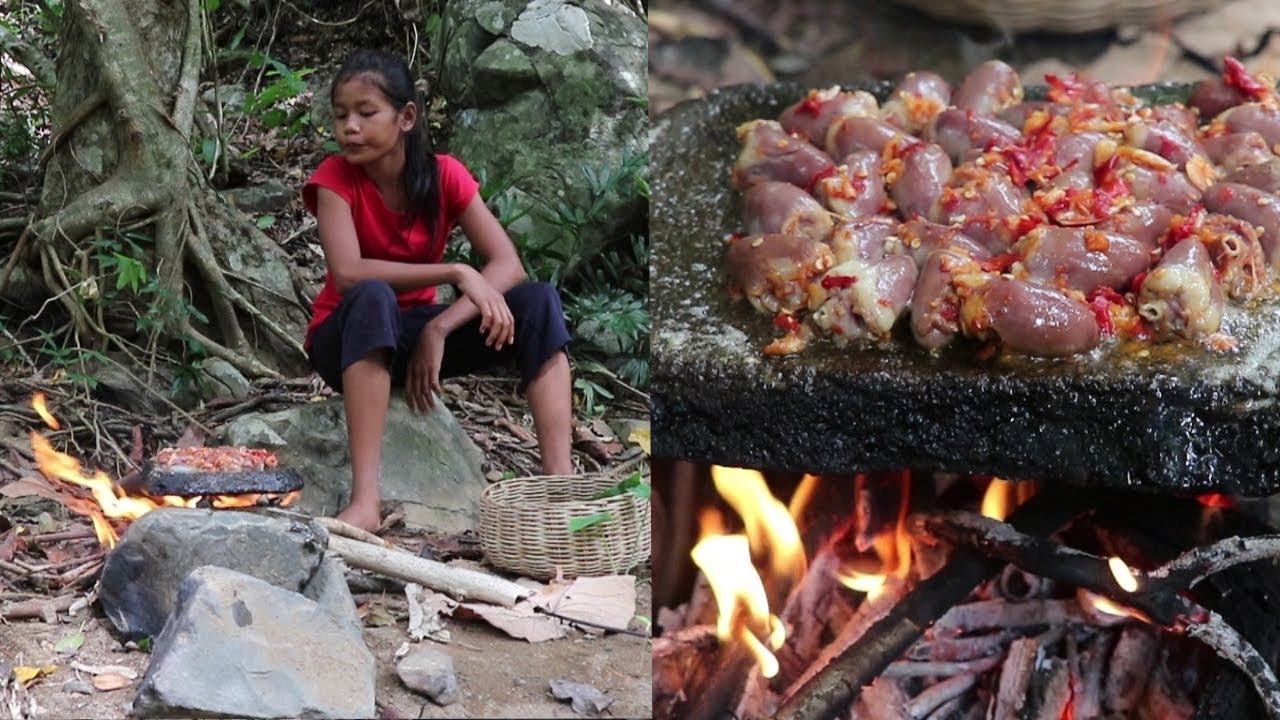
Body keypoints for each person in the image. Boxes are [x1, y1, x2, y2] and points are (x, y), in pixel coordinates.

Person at [303, 48, 574, 532]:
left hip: (415, 335)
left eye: (367, 113)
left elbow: (507, 263)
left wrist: (442, 328)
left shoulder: (444, 174)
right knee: (373, 295)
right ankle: (366, 500)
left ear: (406, 117)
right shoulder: (334, 179)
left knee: (538, 304)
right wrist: (453, 272)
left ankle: (560, 487)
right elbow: (347, 273)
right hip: (346, 339)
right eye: (341, 115)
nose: (350, 127)